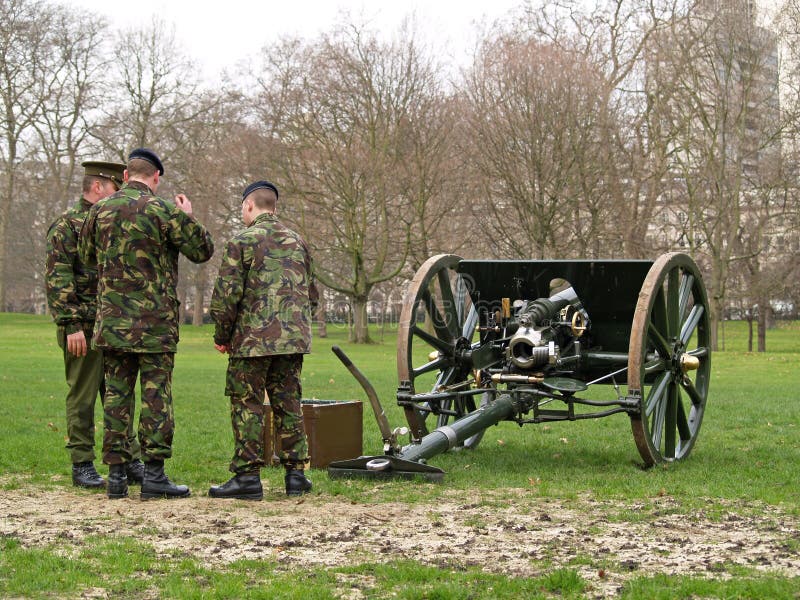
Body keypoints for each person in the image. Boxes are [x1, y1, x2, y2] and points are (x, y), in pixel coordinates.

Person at [79, 148, 214, 500]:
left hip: (113, 324)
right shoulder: (165, 210)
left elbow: (86, 256)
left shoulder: (100, 211)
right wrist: (188, 216)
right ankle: (154, 476)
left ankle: (117, 477)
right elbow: (203, 250)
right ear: (156, 178)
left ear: (125, 175)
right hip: (156, 325)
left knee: (116, 398)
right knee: (156, 399)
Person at [209, 180, 318, 500]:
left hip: (252, 341)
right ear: (274, 207)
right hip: (292, 340)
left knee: (247, 404)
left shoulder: (241, 242)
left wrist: (222, 335)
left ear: (249, 206)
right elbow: (312, 295)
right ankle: (296, 476)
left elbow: (226, 297)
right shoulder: (299, 242)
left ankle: (247, 477)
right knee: (289, 403)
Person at [45, 161, 145, 488]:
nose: (120, 194)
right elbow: (58, 278)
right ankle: (82, 463)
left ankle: (128, 459)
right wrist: (72, 323)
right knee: (84, 395)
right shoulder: (66, 226)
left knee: (117, 396)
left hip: (111, 325)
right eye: (117, 187)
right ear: (99, 187)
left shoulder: (109, 223)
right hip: (83, 328)